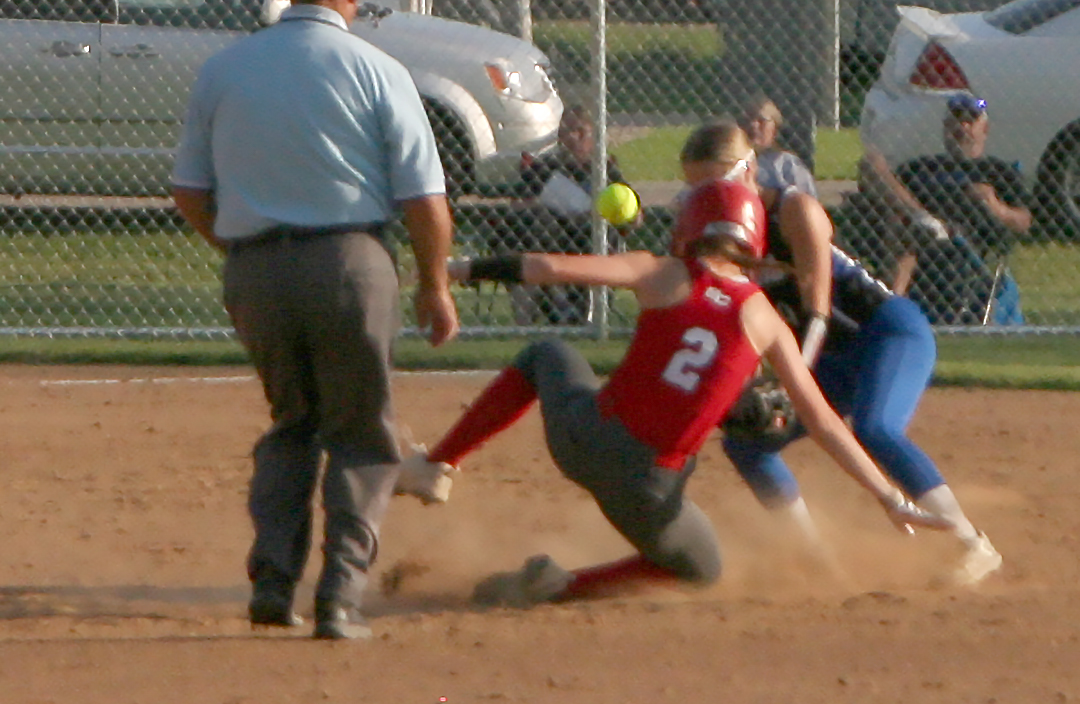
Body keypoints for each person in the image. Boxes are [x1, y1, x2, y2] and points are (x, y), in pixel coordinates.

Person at [395, 179, 945, 608]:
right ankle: (564, 587)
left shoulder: (658, 271)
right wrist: (890, 498)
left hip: (585, 439)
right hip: (650, 490)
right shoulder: (766, 318)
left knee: (547, 355)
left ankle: (438, 466)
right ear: (753, 239)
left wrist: (455, 269)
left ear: (690, 226)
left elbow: (548, 267)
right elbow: (824, 423)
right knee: (701, 570)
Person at [170, 0, 460, 640]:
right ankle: (340, 595)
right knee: (362, 435)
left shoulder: (226, 68)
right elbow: (424, 202)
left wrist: (238, 251)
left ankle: (273, 583)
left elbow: (188, 191)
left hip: (255, 270)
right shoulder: (379, 71)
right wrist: (434, 285)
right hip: (349, 264)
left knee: (291, 425)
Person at [676, 120, 1002, 586]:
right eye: (695, 189)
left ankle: (971, 544)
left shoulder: (795, 209)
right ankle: (812, 555)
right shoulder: (715, 236)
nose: (705, 197)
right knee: (747, 443)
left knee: (876, 427)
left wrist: (796, 382)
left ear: (749, 171)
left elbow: (818, 313)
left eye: (715, 183)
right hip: (831, 358)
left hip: (887, 333)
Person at [860, 92, 1031, 324]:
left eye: (971, 120)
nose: (962, 125)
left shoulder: (998, 171)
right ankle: (923, 221)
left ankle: (891, 312)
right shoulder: (921, 167)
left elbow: (1024, 222)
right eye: (956, 119)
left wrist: (996, 206)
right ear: (944, 126)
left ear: (985, 130)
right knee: (872, 163)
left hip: (962, 246)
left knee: (913, 237)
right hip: (913, 224)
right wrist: (917, 215)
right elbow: (878, 185)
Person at [502, 104, 639, 324]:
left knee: (603, 234)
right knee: (531, 224)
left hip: (589, 238)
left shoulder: (605, 169)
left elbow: (634, 216)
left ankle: (591, 316)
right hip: (552, 237)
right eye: (567, 131)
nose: (573, 137)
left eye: (580, 131)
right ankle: (540, 312)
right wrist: (540, 205)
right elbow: (517, 206)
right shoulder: (545, 168)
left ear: (593, 135)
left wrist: (606, 215)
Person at [740, 92, 817, 197]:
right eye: (747, 119)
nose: (753, 125)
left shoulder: (787, 164)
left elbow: (806, 201)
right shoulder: (734, 163)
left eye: (761, 120)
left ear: (774, 128)